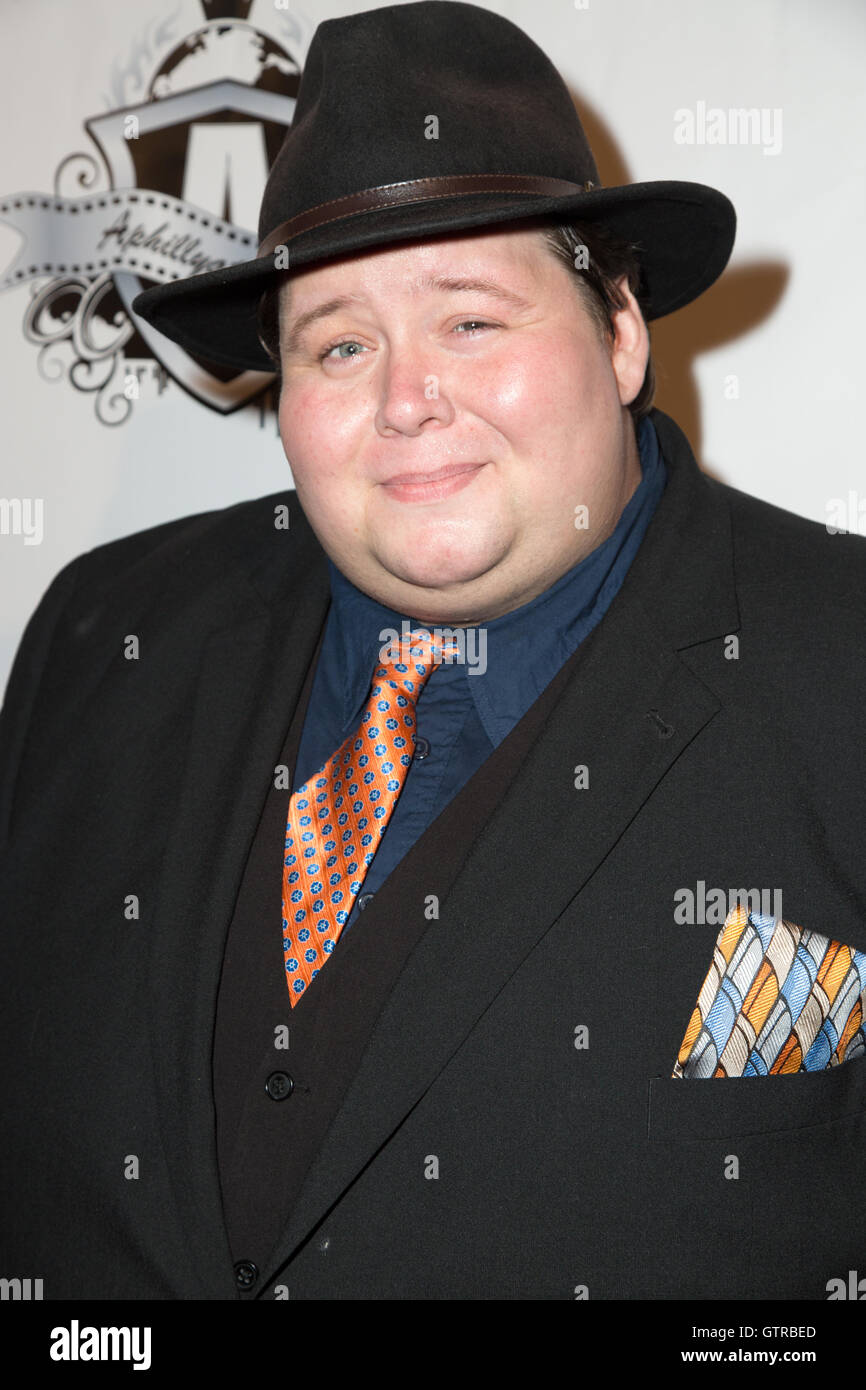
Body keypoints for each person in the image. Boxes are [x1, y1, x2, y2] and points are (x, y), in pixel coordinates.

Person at [1, 0, 865, 1303]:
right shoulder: (101, 635)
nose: (406, 399)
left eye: (470, 318)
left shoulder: (839, 659)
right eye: (339, 344)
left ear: (619, 331)